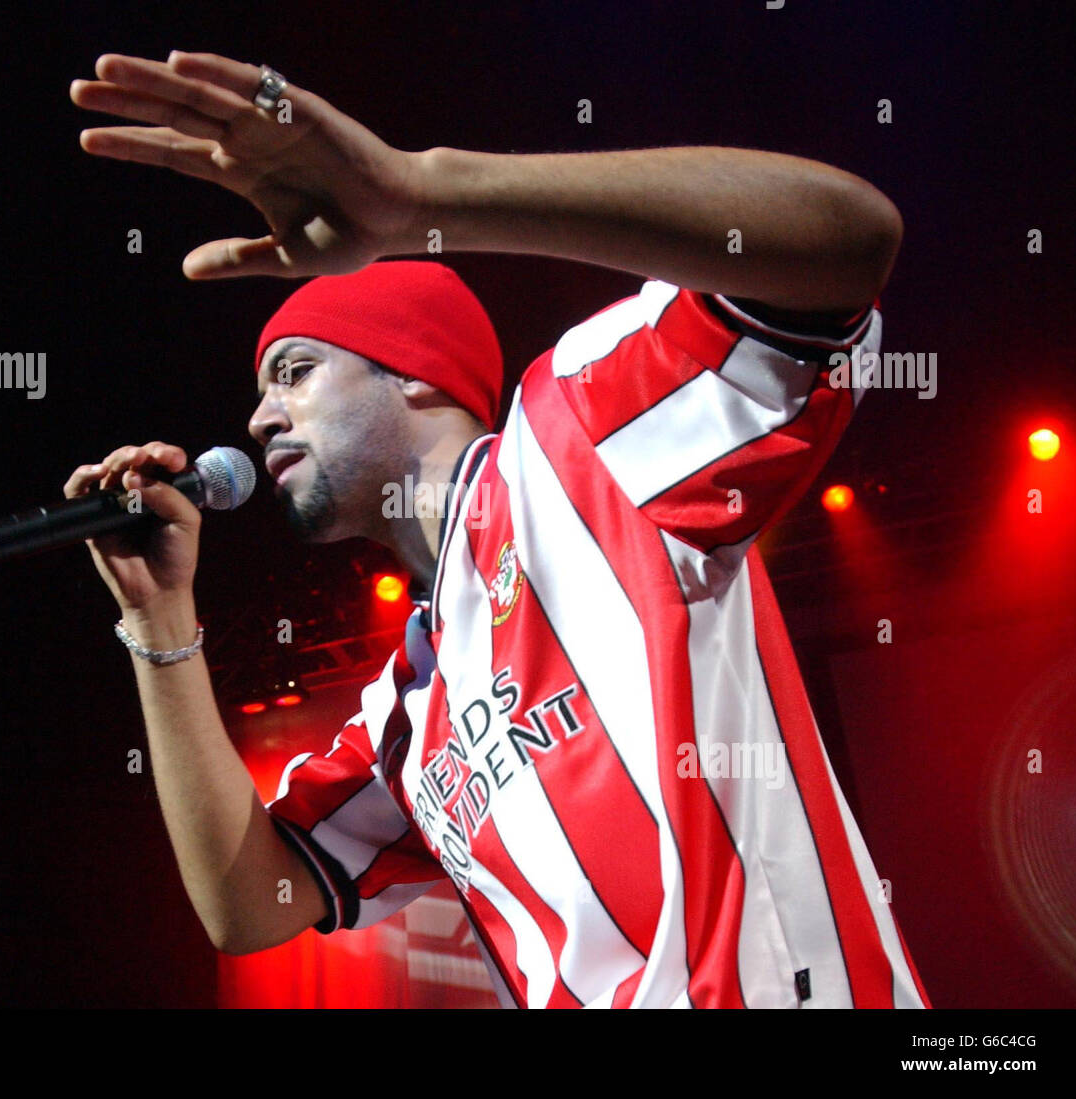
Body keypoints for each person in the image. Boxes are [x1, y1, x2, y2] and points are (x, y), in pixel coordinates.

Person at [63, 51, 930, 1008]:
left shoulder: (573, 434)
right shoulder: (407, 713)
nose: (261, 418)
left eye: (295, 373)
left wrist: (421, 193)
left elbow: (848, 241)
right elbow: (246, 903)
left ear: (417, 372)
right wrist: (157, 618)